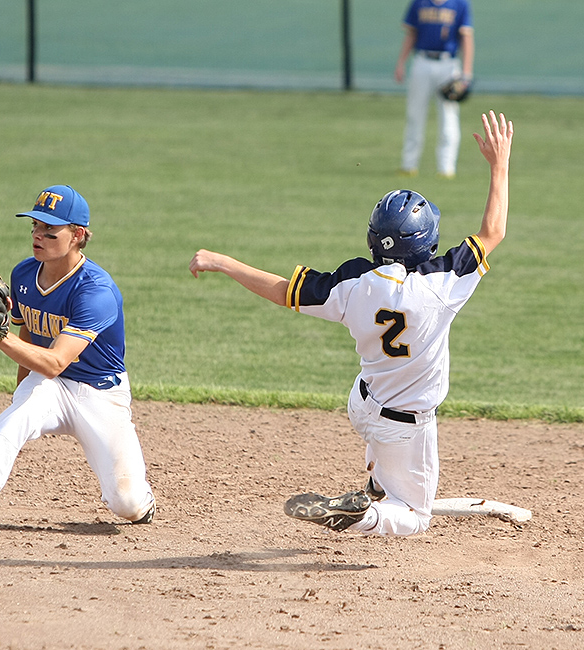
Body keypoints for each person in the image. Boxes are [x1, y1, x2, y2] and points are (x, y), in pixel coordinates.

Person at [189, 110, 512, 537]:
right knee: (415, 518)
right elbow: (493, 231)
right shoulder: (440, 285)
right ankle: (362, 516)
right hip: (404, 422)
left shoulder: (353, 283)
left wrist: (223, 262)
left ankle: (379, 485)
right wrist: (499, 165)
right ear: (425, 244)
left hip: (362, 404)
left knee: (384, 458)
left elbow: (284, 289)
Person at [0, 185, 156, 539]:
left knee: (127, 504)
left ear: (78, 236)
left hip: (99, 394)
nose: (38, 236)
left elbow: (55, 360)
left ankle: (145, 501)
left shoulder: (95, 291)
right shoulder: (23, 275)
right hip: (47, 385)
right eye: (35, 228)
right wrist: (21, 393)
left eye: (50, 231)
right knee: (9, 425)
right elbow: (28, 339)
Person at [395, 0, 474, 178]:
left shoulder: (459, 4)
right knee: (414, 114)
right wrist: (401, 63)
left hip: (448, 64)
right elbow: (411, 34)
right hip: (422, 61)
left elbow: (466, 38)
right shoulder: (419, 2)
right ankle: (409, 165)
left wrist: (466, 73)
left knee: (448, 116)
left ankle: (446, 167)